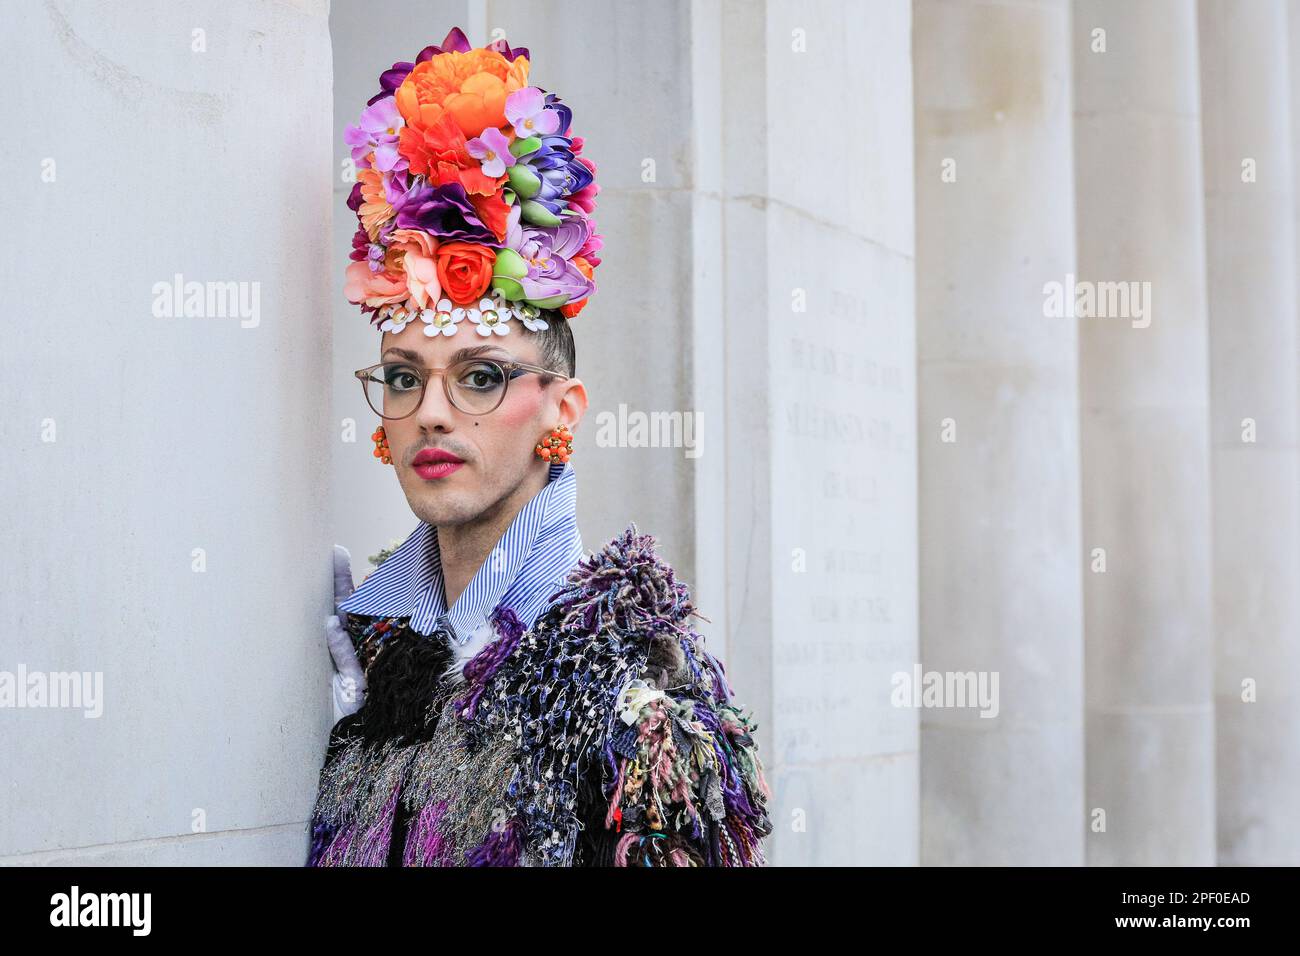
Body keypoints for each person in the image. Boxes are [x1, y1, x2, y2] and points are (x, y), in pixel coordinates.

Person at [306, 27, 772, 867]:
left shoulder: (636, 694)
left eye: (480, 377)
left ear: (564, 408)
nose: (433, 413)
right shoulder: (382, 648)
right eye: (405, 378)